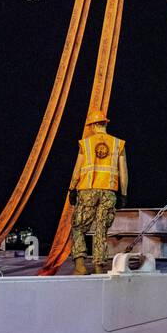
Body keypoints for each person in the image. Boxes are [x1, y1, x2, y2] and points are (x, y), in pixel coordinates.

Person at [69, 110, 128, 275]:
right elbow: (123, 172)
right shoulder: (118, 144)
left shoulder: (85, 144)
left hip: (87, 190)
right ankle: (98, 267)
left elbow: (77, 170)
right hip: (109, 192)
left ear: (94, 125)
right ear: (105, 123)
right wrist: (123, 194)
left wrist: (72, 188)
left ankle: (80, 267)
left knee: (78, 227)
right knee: (101, 229)